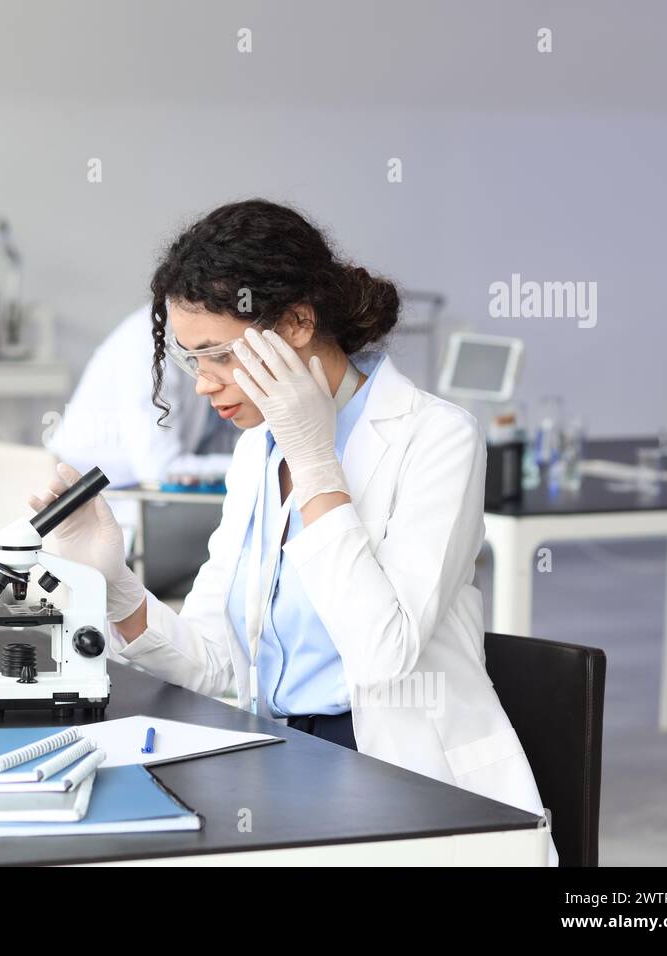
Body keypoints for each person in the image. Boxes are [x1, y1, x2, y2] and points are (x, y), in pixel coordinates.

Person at [28, 199, 558, 865]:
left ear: (300, 321)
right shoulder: (258, 449)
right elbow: (215, 661)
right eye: (191, 361)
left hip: (397, 772)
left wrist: (316, 466)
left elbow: (384, 656)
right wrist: (117, 587)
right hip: (279, 758)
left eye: (218, 355)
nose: (203, 386)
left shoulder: (433, 437)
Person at [45, 303, 238, 490]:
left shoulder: (209, 330)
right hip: (105, 495)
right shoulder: (150, 340)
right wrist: (255, 463)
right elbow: (159, 470)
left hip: (149, 497)